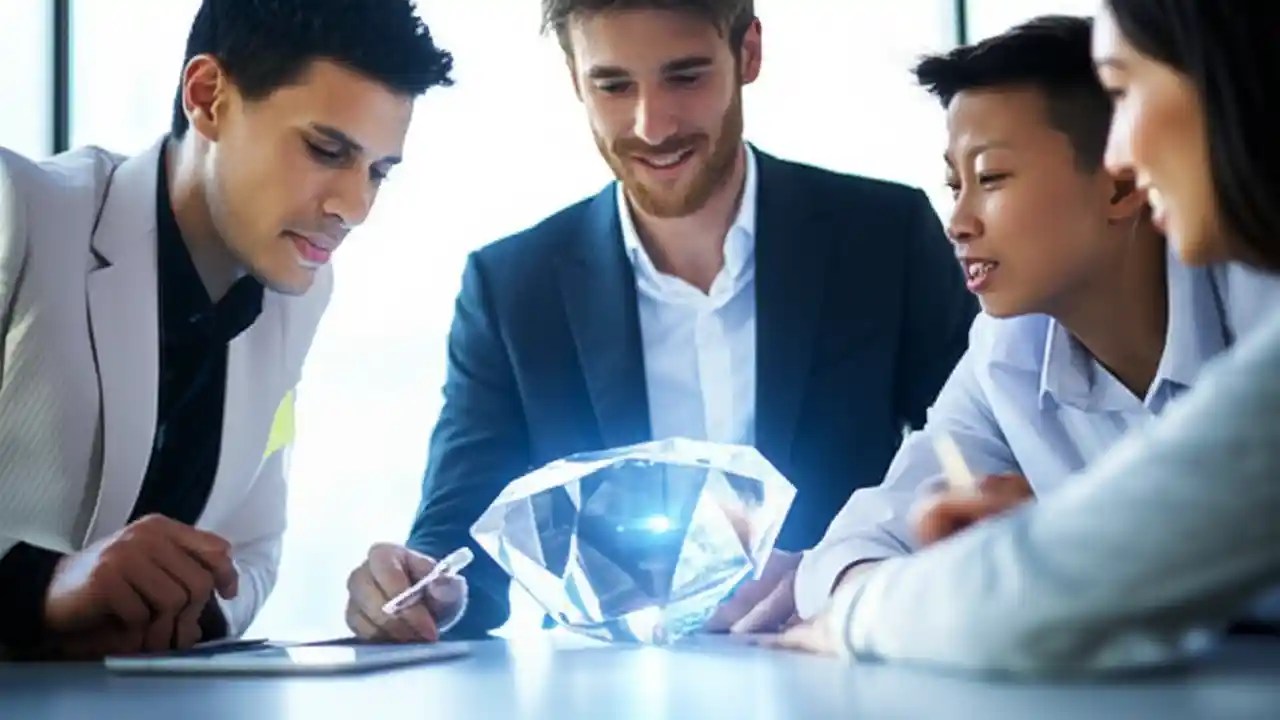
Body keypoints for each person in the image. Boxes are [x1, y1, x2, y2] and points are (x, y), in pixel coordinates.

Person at [344, 0, 977, 643]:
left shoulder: (882, 238)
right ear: (573, 78)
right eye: (613, 85)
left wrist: (859, 579)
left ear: (748, 54)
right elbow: (460, 544)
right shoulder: (512, 287)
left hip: (839, 665)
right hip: (610, 692)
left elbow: (974, 473)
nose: (651, 125)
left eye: (685, 77)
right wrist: (418, 590)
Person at [771, 0, 1280, 675]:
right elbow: (858, 542)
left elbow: (1051, 595)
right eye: (955, 183)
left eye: (991, 179)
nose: (956, 221)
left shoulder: (1260, 304)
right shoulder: (1007, 350)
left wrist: (1053, 553)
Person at [0, 0, 453, 660]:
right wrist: (38, 590)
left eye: (378, 171)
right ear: (209, 98)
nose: (355, 208)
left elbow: (252, 546)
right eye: (327, 150)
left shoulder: (299, 289)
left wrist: (185, 609)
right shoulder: (20, 211)